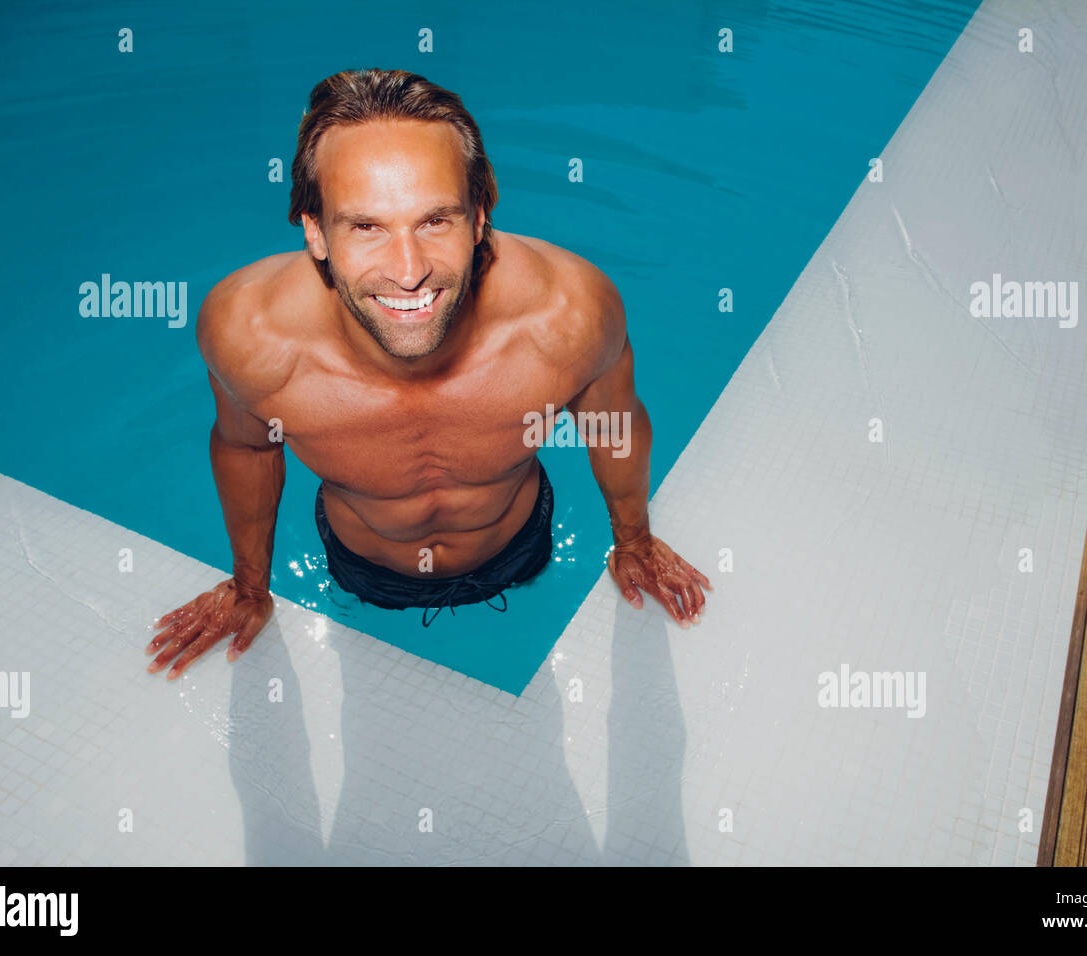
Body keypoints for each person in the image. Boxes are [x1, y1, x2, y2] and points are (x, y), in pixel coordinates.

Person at [147, 68, 711, 679]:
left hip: (517, 541)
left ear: (478, 218)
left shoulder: (570, 314)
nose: (409, 271)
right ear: (315, 231)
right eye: (366, 227)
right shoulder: (249, 336)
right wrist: (249, 585)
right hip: (360, 561)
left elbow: (611, 425)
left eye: (435, 220)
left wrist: (633, 542)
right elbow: (247, 448)